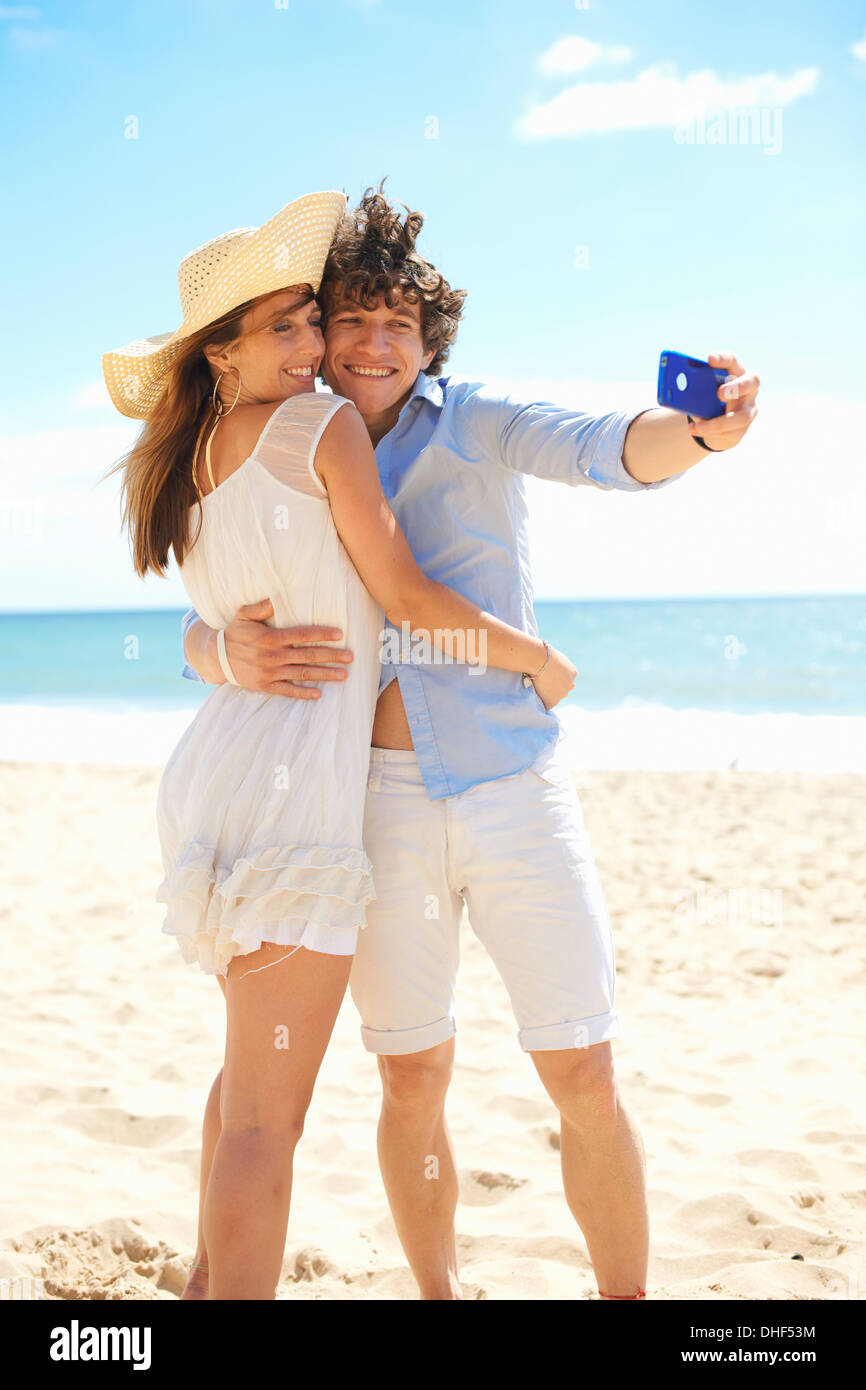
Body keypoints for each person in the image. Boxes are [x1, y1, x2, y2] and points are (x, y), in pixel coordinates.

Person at [182, 185, 761, 1301]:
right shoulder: (289, 440)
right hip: (371, 802)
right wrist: (220, 652)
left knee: (582, 1069)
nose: (371, 341)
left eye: (398, 321)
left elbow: (602, 446)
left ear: (428, 338)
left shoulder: (477, 418)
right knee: (412, 1076)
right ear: (316, 332)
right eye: (348, 317)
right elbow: (216, 592)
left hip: (510, 785)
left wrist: (694, 430)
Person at [101, 190, 578, 1301]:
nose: (315, 348)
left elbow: (221, 624)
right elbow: (405, 592)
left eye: (310, 322)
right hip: (293, 790)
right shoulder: (314, 429)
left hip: (220, 772)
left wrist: (217, 652)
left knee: (242, 1077)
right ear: (220, 354)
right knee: (273, 1116)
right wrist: (532, 661)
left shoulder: (190, 461)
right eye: (284, 328)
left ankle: (206, 1280)